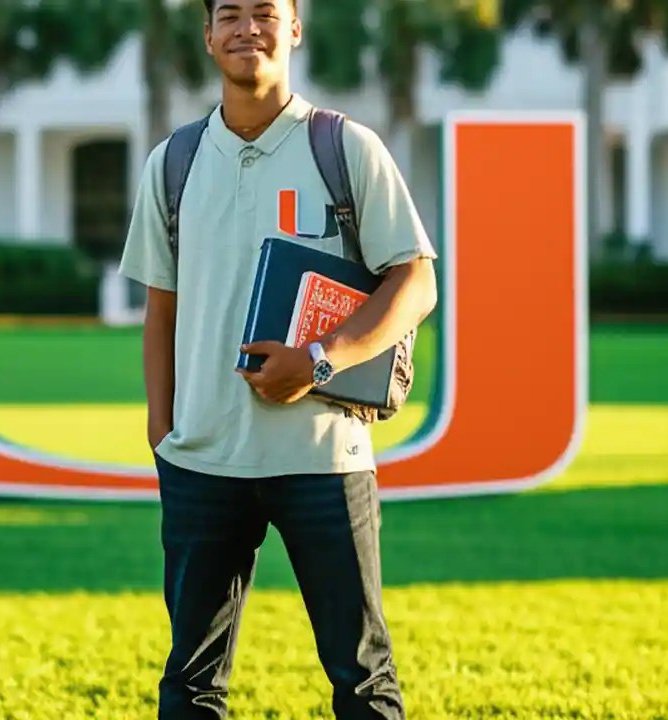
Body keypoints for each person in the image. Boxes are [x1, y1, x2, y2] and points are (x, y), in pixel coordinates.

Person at [118, 0, 438, 716]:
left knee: (363, 681)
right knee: (191, 686)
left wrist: (318, 362)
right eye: (228, 14)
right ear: (207, 35)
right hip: (203, 463)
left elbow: (416, 282)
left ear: (294, 28)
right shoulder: (173, 162)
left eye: (265, 11)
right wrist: (163, 434)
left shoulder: (346, 147)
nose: (246, 28)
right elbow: (161, 307)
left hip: (324, 459)